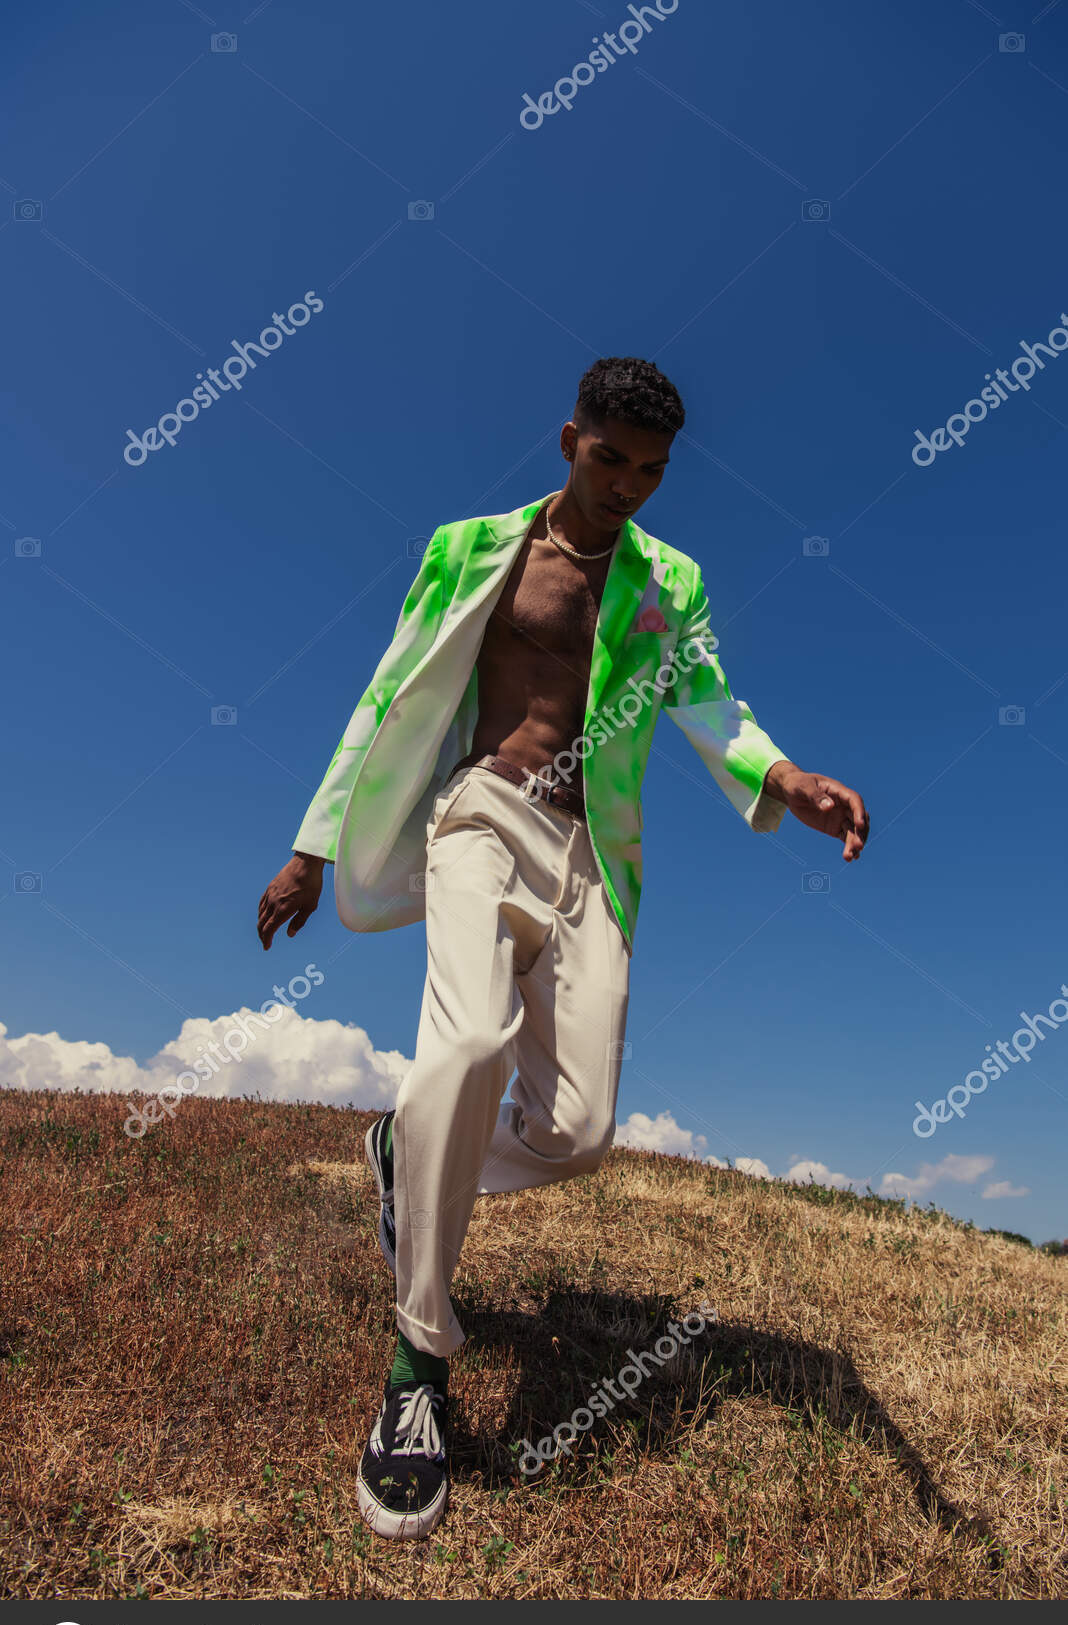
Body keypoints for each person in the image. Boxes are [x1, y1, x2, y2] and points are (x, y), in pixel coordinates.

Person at [257, 356, 869, 1540]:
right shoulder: (469, 547)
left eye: (651, 470)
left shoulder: (667, 578)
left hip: (596, 853)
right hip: (479, 813)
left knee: (576, 1130)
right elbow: (386, 696)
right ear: (568, 438)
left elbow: (708, 698)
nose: (630, 485)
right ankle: (417, 1370)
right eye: (610, 458)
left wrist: (784, 779)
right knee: (468, 1041)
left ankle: (404, 1147)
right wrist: (311, 845)